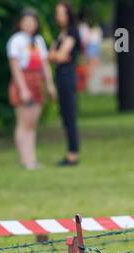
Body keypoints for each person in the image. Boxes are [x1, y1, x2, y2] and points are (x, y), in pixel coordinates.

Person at [7, 9, 55, 171]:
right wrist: (23, 89)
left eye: (32, 21)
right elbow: (15, 67)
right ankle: (25, 159)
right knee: (23, 123)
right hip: (24, 81)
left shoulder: (38, 40)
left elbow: (44, 64)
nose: (29, 24)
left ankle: (32, 158)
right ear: (20, 23)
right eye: (26, 21)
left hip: (36, 81)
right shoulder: (16, 41)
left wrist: (49, 84)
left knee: (32, 123)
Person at [49, 3, 82, 166]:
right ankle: (70, 152)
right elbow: (51, 56)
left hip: (68, 76)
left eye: (61, 13)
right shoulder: (60, 34)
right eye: (57, 13)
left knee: (70, 116)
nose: (58, 17)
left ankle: (73, 154)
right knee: (65, 115)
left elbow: (60, 56)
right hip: (61, 76)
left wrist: (56, 55)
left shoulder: (72, 32)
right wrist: (57, 55)